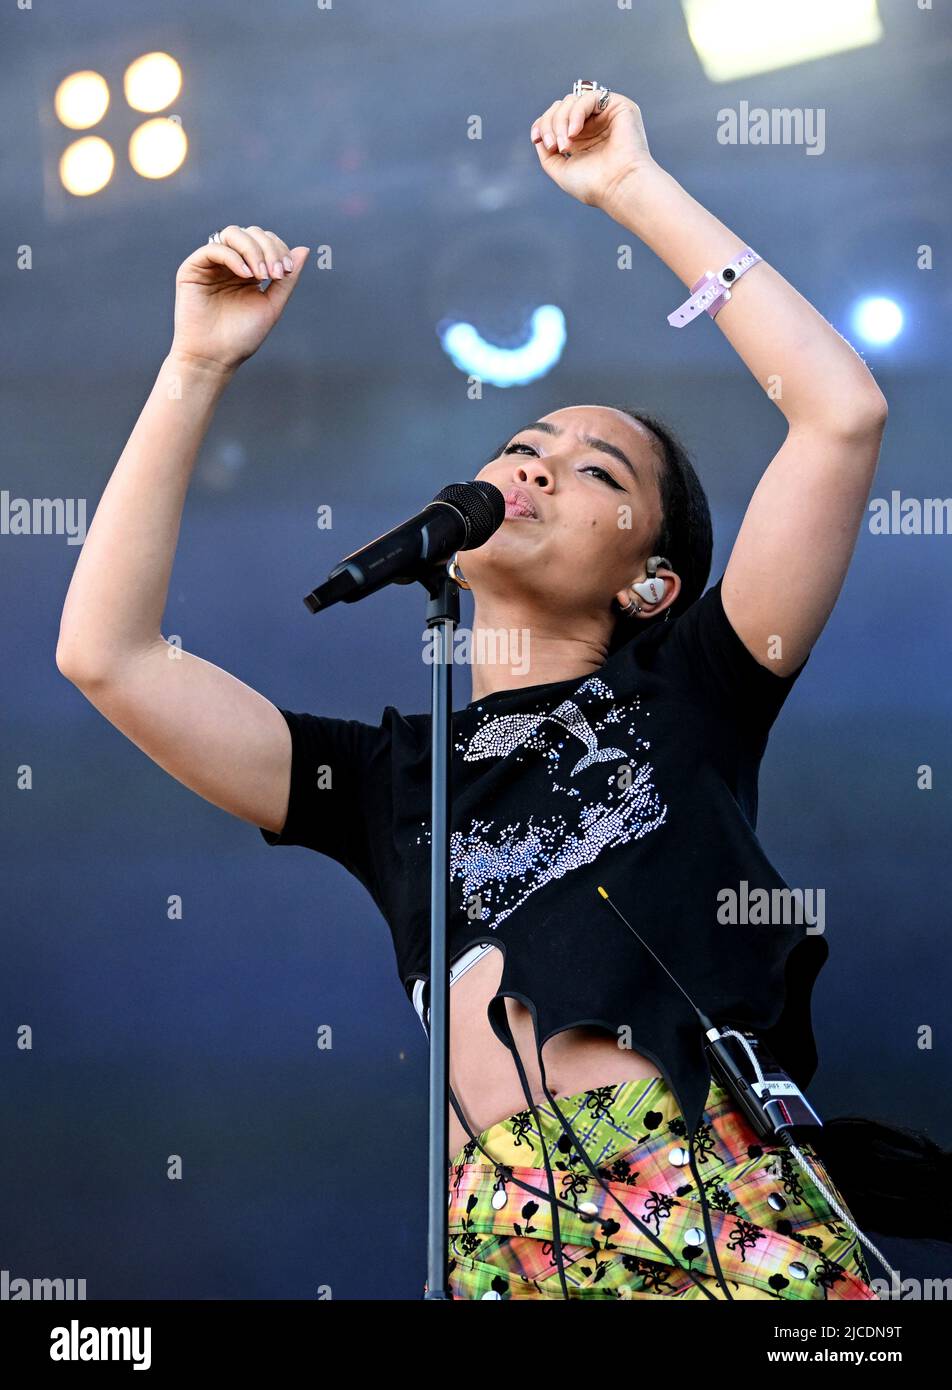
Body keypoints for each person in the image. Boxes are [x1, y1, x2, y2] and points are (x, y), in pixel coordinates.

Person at [56, 86, 942, 1302]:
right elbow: (109, 655)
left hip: (717, 1220)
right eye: (522, 444)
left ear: (651, 580)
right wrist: (195, 362)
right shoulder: (383, 784)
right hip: (510, 1258)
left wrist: (631, 187)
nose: (534, 464)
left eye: (593, 471)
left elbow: (839, 417)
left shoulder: (691, 693)